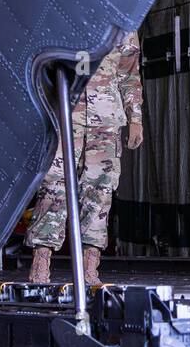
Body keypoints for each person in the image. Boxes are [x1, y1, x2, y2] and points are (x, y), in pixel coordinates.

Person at [25, 31, 143, 286]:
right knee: (54, 186)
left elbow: (129, 74)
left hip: (107, 121)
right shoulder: (71, 7)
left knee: (99, 191)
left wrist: (136, 119)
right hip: (65, 114)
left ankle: (90, 268)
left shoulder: (126, 21)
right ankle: (40, 264)